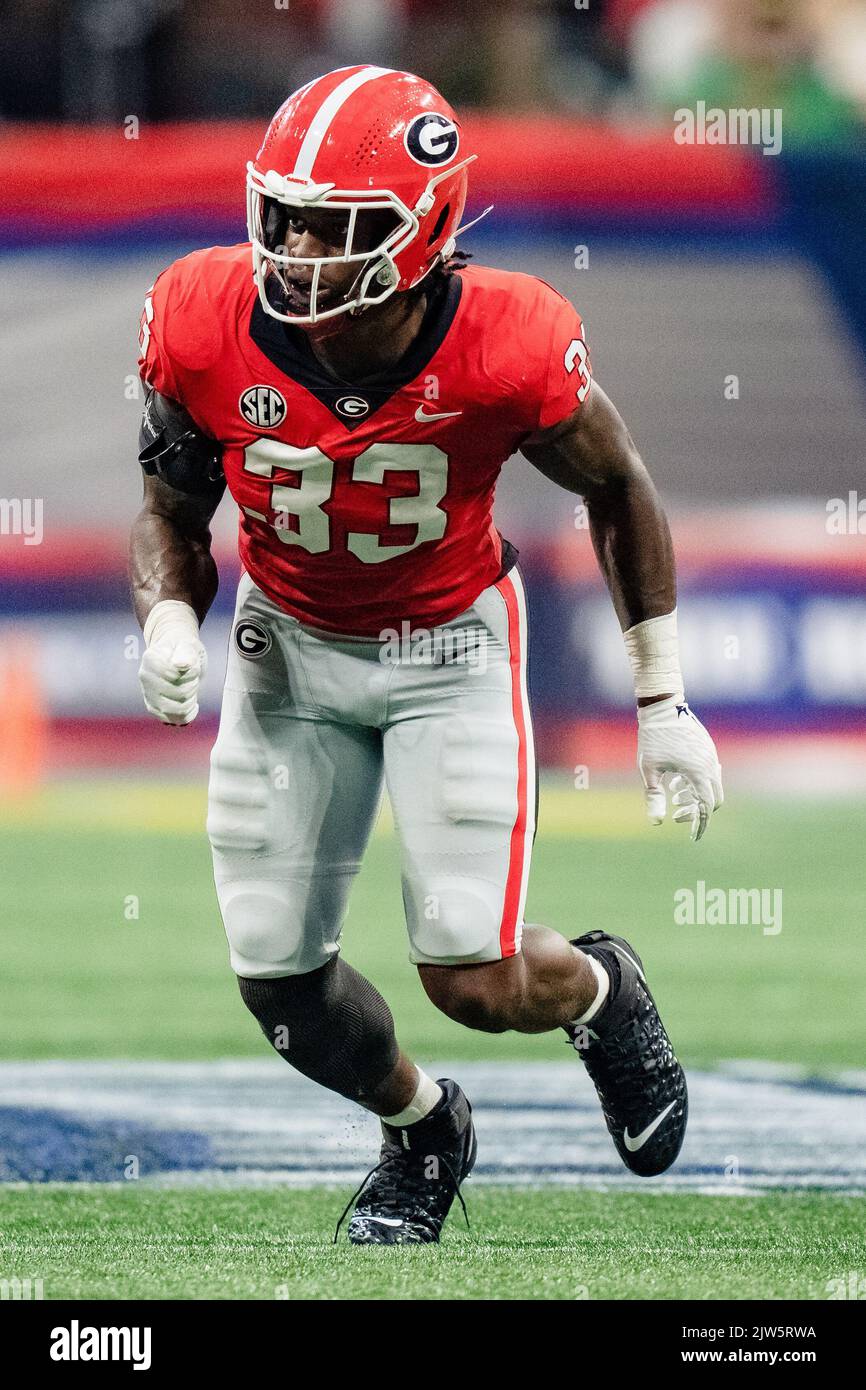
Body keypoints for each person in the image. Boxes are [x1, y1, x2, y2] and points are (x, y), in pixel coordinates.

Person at [130, 64, 723, 1244]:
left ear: (424, 228)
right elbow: (169, 506)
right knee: (281, 989)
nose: (296, 248)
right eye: (284, 215)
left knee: (474, 977)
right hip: (285, 649)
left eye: (333, 225)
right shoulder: (201, 316)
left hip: (447, 645)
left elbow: (616, 484)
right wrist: (161, 611)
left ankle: (597, 989)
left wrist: (660, 696)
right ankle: (422, 1128)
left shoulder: (507, 340)